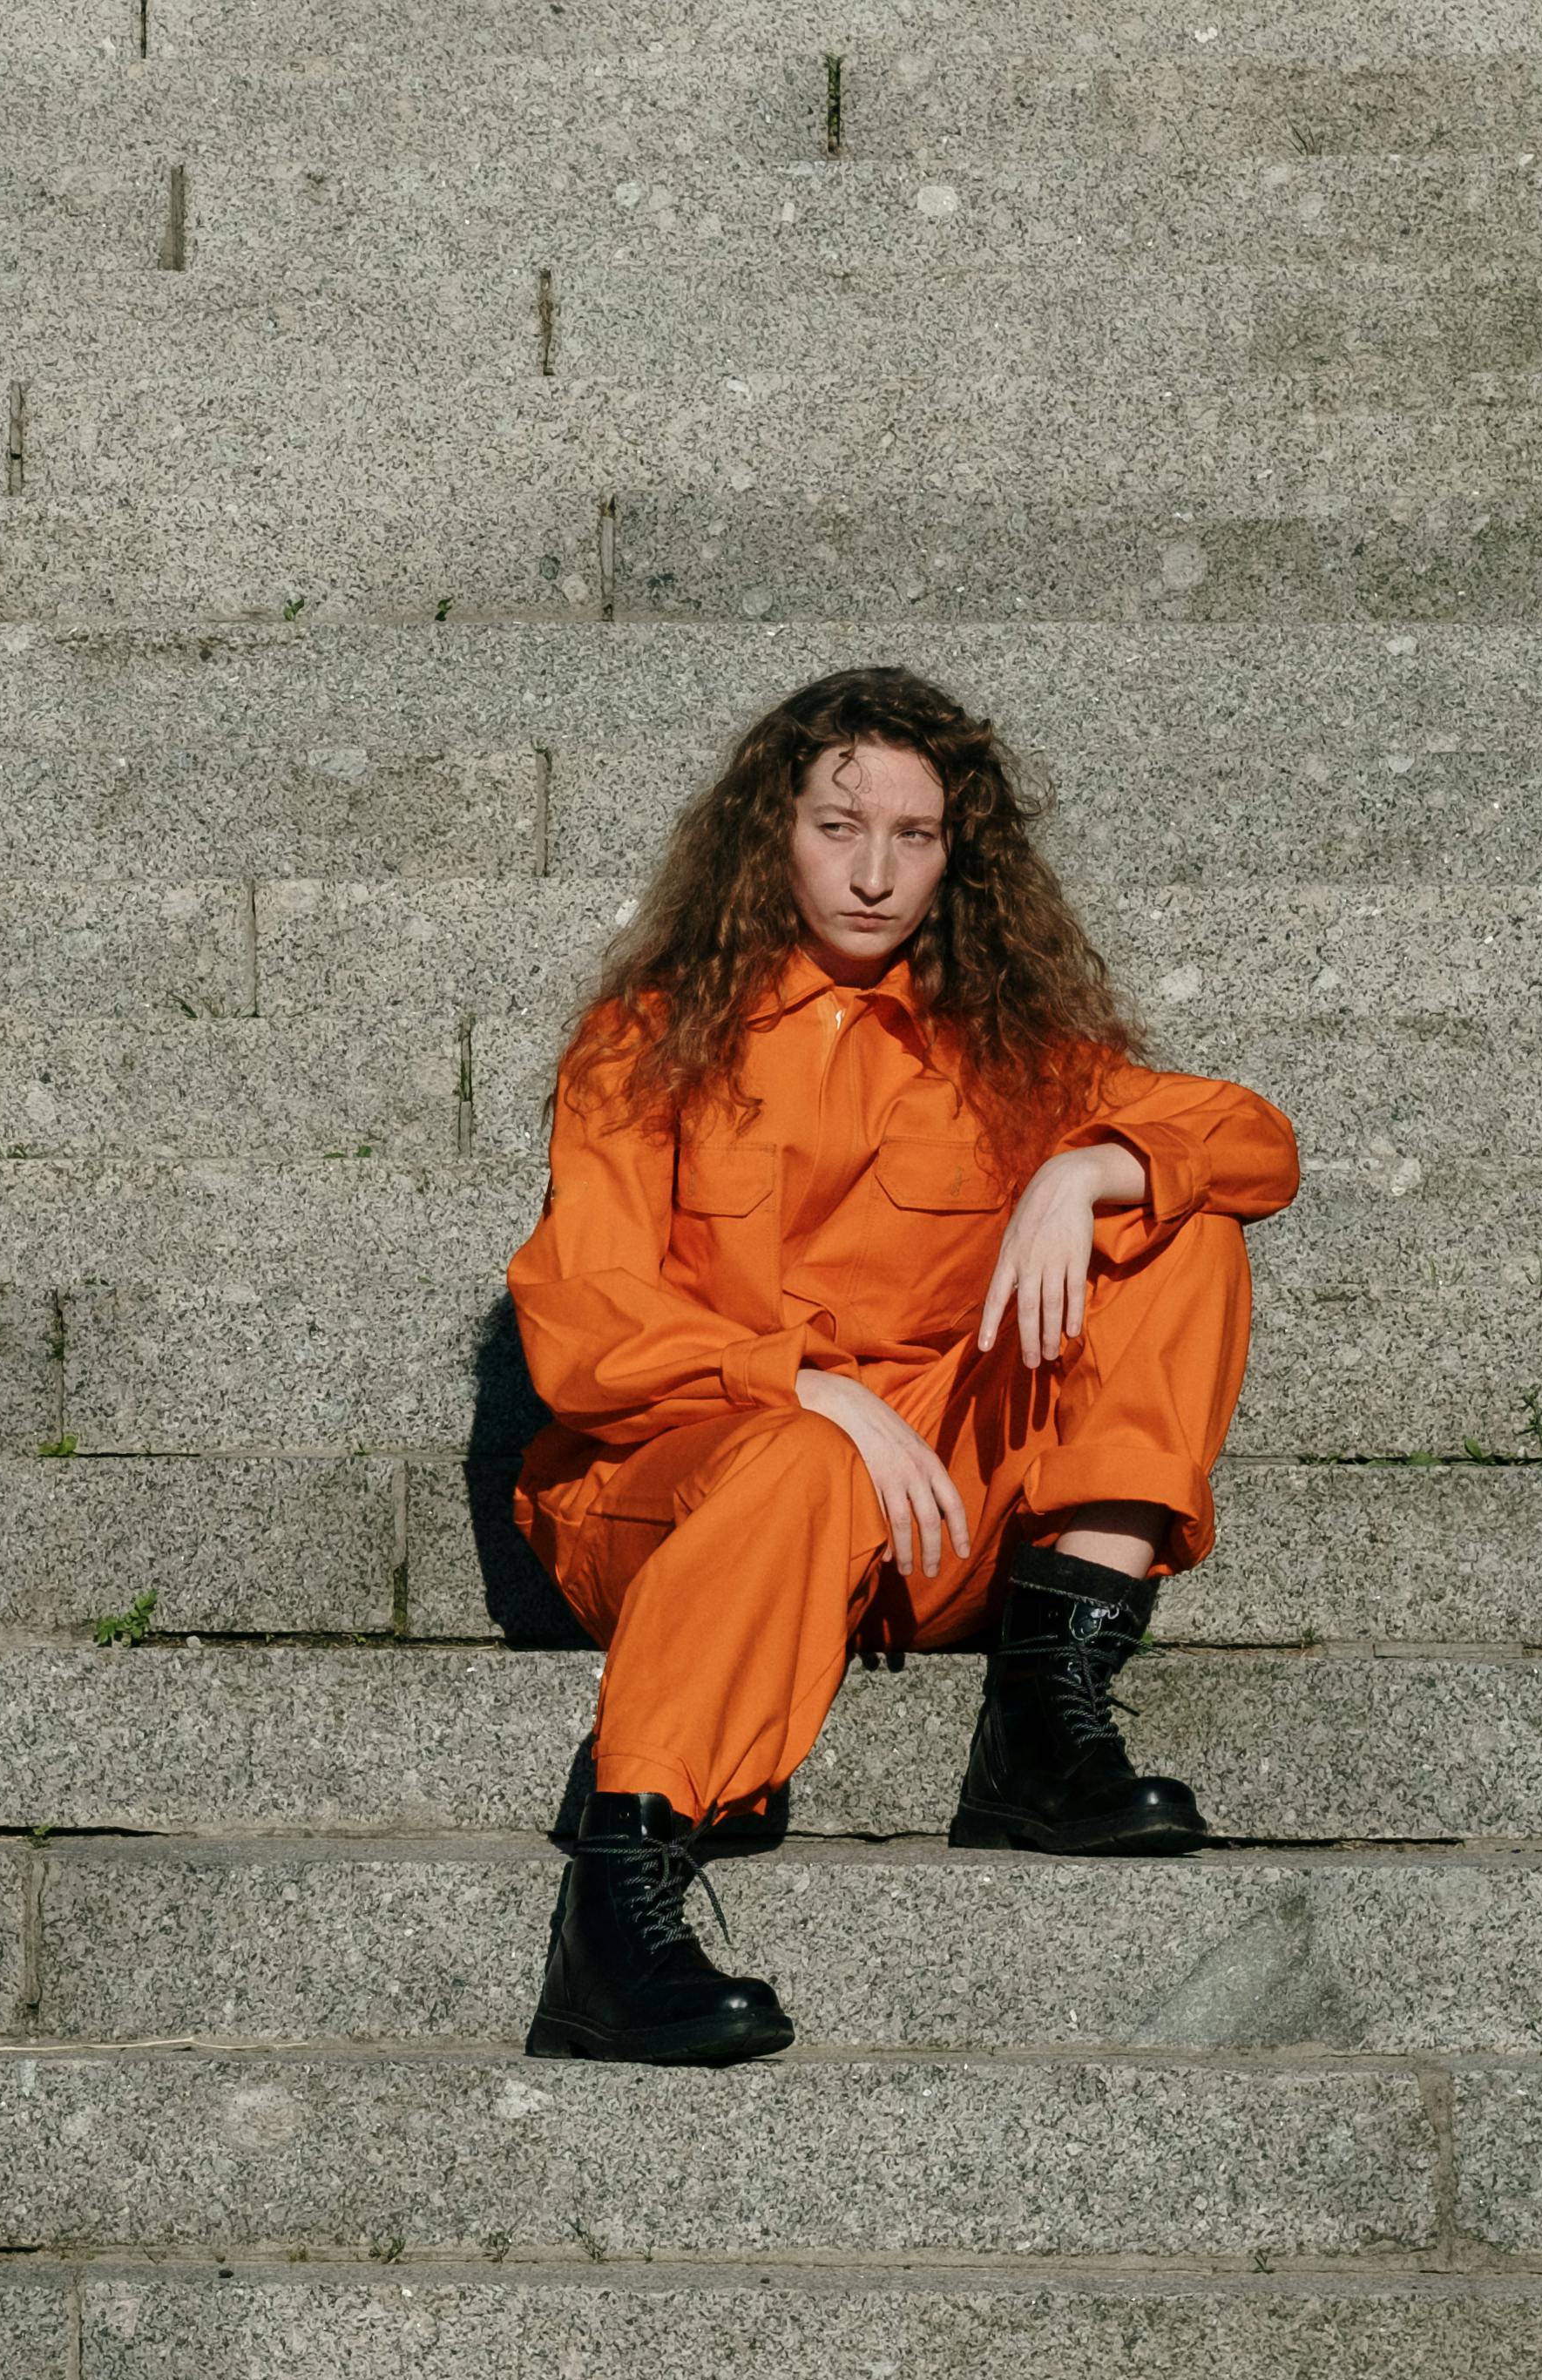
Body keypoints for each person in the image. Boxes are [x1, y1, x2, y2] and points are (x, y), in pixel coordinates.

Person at [504, 667, 1300, 2066]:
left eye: (912, 836)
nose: (872, 873)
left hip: (926, 1519)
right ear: (770, 836)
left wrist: (1082, 1170)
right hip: (678, 1498)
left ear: (954, 855)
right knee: (797, 1458)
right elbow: (584, 1328)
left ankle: (1044, 1721)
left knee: (1180, 1226)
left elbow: (1253, 1141)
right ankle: (612, 1915)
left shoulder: (1005, 1053)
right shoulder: (645, 1044)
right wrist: (802, 1387)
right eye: (837, 827)